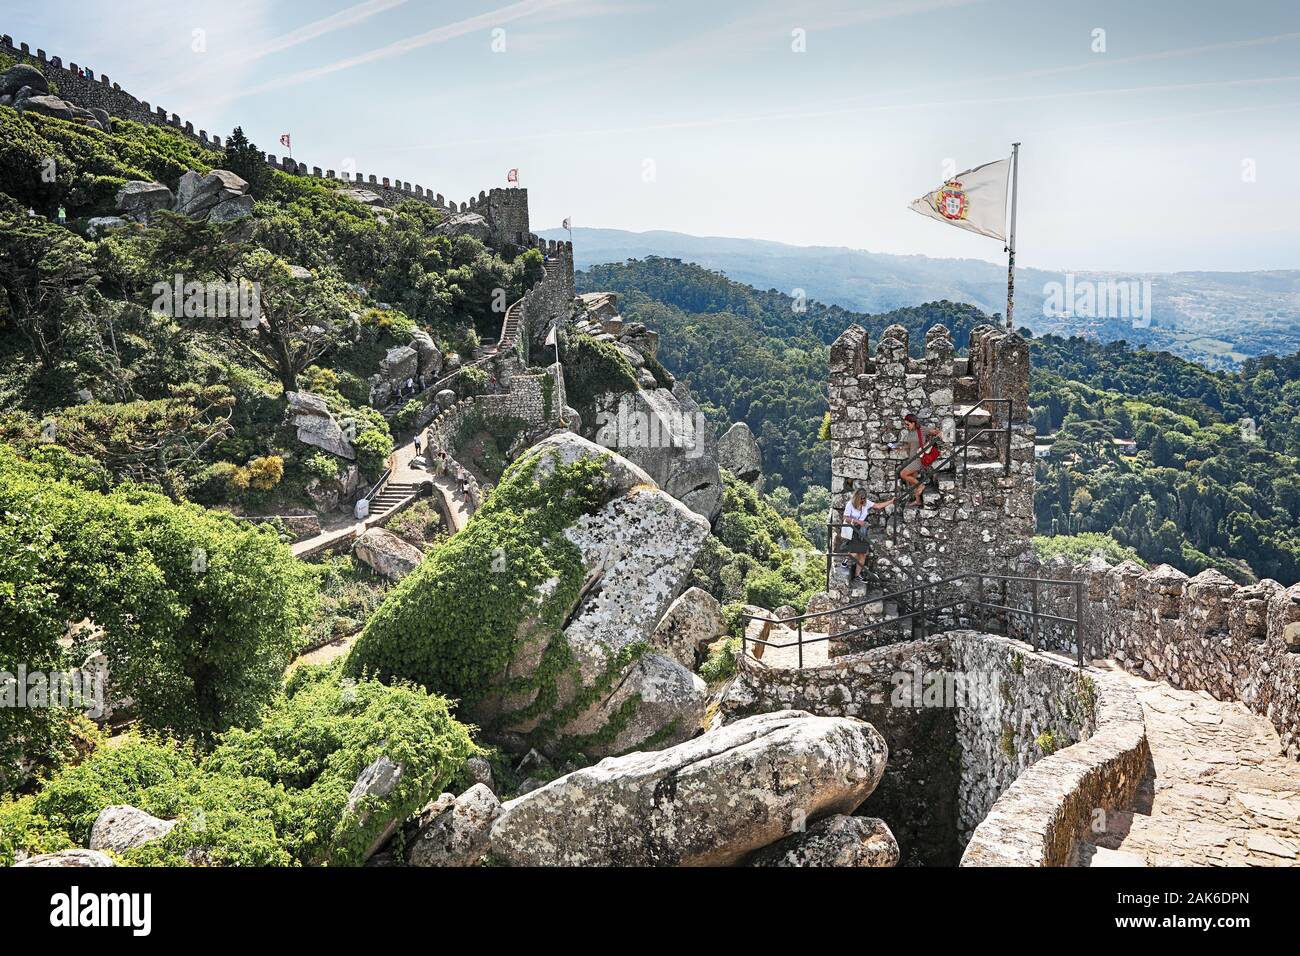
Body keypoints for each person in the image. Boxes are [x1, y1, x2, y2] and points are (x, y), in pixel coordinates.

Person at [841, 488, 895, 583]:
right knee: (855, 551)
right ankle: (846, 560)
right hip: (852, 530)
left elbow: (878, 506)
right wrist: (857, 521)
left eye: (864, 498)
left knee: (863, 553)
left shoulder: (866, 503)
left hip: (861, 531)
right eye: (861, 498)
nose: (863, 500)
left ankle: (857, 575)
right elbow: (845, 517)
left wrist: (891, 501)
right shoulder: (850, 504)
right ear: (857, 497)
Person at [898, 413, 943, 507]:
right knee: (911, 480)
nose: (906, 426)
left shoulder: (922, 430)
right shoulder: (910, 432)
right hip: (912, 459)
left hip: (918, 459)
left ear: (913, 423)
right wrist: (899, 447)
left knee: (903, 474)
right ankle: (918, 500)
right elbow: (909, 446)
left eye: (907, 424)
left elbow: (937, 432)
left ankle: (921, 486)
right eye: (905, 424)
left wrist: (938, 436)